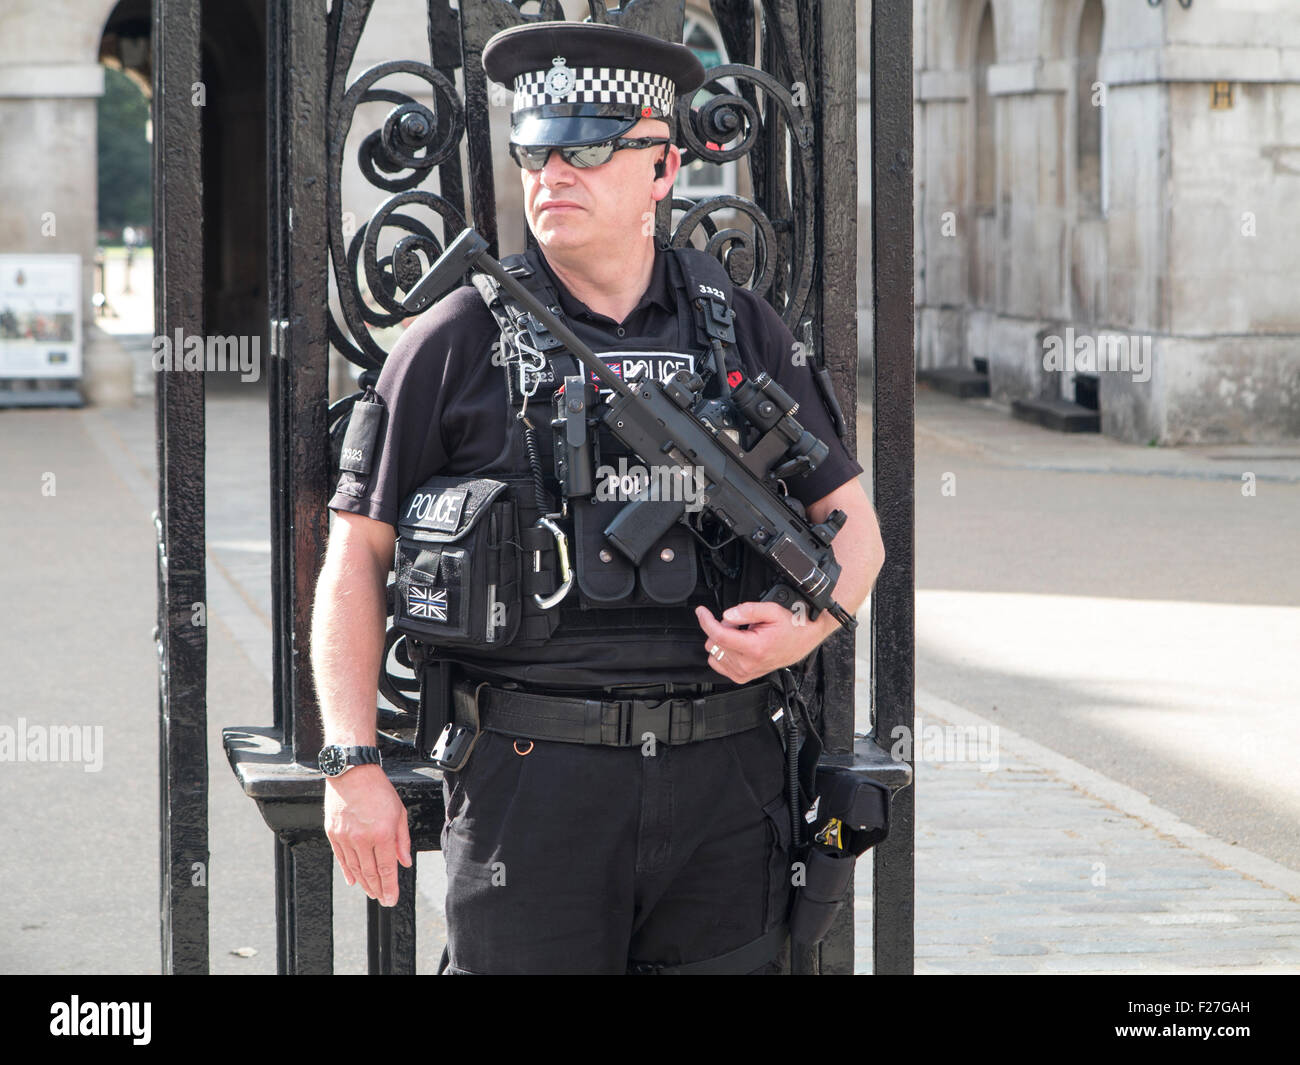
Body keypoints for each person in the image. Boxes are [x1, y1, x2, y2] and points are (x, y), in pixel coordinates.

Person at [311, 19, 885, 974]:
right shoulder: (453, 337)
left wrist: (807, 628)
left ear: (662, 169)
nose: (551, 175)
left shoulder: (738, 326)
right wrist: (350, 760)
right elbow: (354, 559)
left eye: (585, 149)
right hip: (531, 793)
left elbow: (855, 530)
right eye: (535, 150)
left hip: (725, 787)